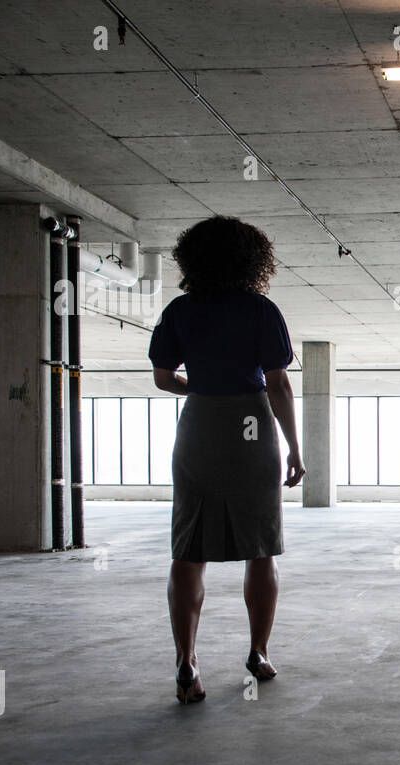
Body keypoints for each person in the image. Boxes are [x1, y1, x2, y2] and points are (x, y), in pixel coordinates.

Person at [147, 216, 304, 704]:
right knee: (260, 546)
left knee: (188, 549)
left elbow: (162, 378)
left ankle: (186, 662)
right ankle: (258, 653)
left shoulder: (178, 311)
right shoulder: (261, 310)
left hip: (198, 428)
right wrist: (295, 448)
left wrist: (201, 388)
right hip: (251, 428)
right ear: (252, 259)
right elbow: (277, 384)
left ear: (191, 258)